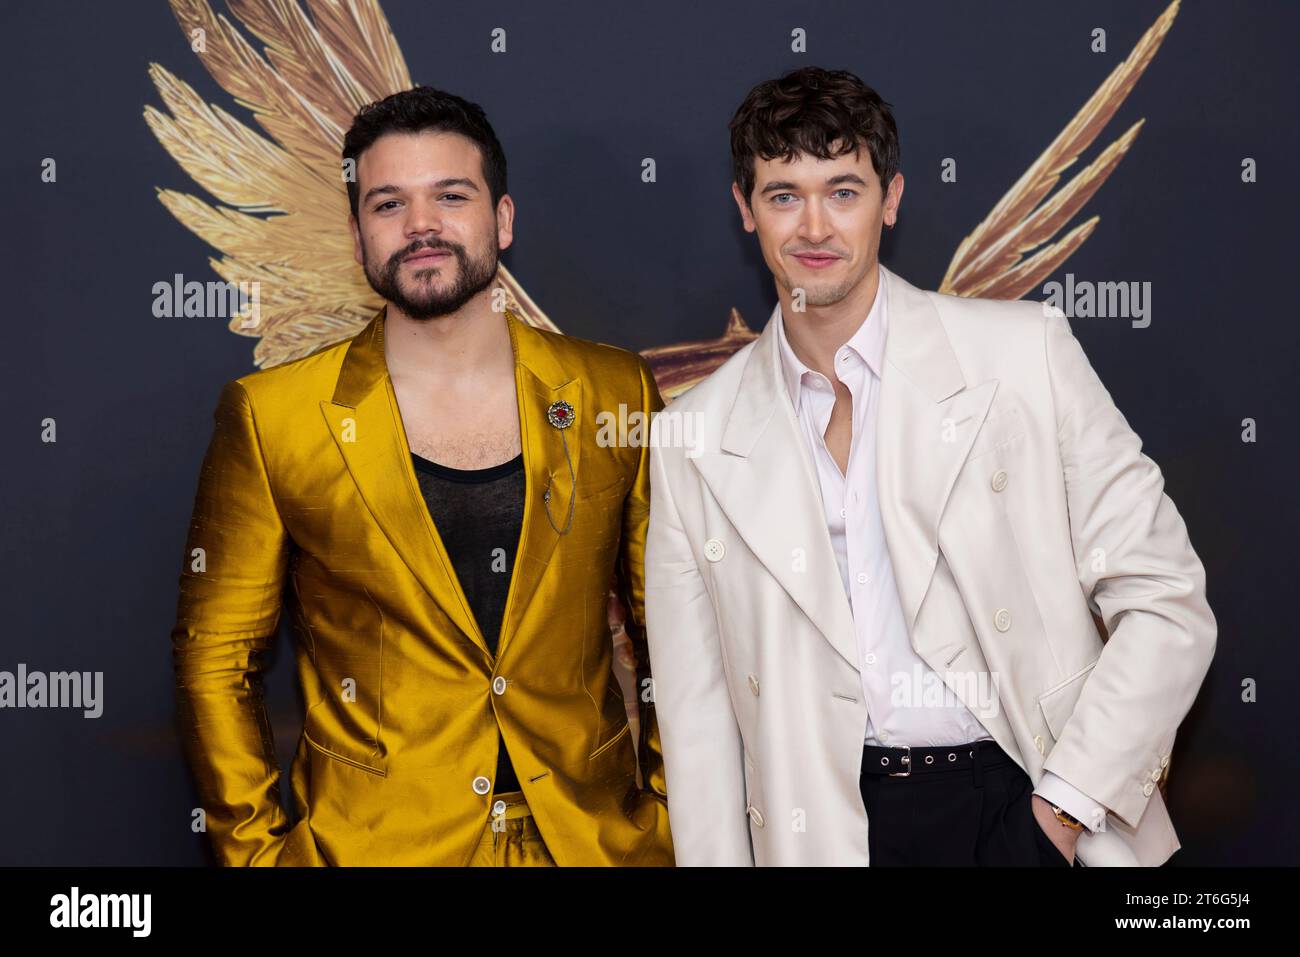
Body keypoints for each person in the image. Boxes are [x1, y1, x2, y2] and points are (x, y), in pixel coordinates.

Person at [643, 66, 1216, 866]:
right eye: (783, 195)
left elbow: (1166, 601)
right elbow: (699, 726)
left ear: (893, 198)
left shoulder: (1023, 355)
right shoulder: (690, 437)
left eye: (843, 191)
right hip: (825, 831)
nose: (815, 227)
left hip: (1030, 800)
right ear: (745, 209)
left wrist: (1059, 812)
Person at [171, 85, 672, 866]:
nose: (422, 226)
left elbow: (678, 631)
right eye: (388, 204)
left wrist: (670, 816)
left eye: (450, 195)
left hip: (594, 843)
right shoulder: (274, 418)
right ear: (357, 235)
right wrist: (258, 856)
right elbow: (215, 660)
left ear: (502, 219)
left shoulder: (615, 392)